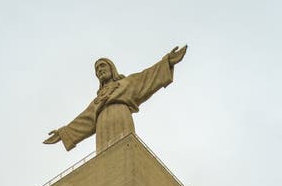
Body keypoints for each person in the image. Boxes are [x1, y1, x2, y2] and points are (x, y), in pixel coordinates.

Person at [43, 46, 187, 153]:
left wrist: (167, 62)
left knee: (124, 153)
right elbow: (85, 119)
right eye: (97, 69)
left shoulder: (127, 83)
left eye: (102, 65)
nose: (100, 70)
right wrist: (63, 133)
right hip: (101, 127)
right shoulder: (97, 100)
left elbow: (147, 77)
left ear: (112, 68)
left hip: (120, 114)